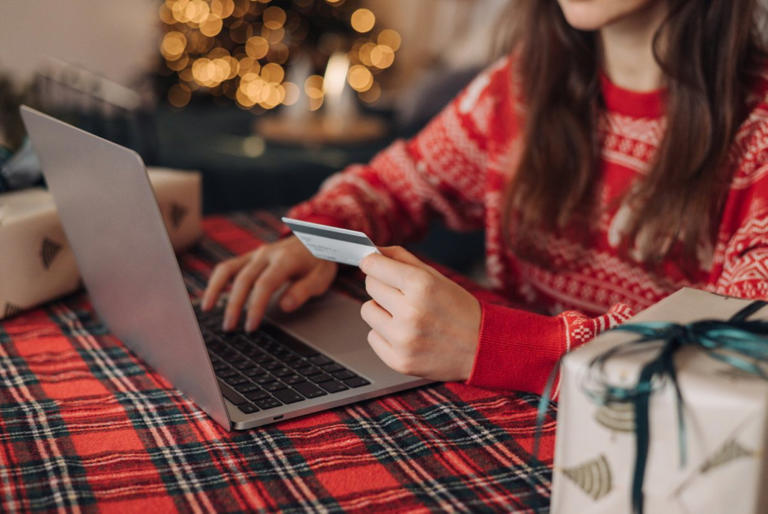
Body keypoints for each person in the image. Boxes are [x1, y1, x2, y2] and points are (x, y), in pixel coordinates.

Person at [203, 0, 768, 395]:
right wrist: (316, 239)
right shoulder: (517, 88)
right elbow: (391, 184)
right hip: (510, 424)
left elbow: (737, 356)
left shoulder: (757, 133)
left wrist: (489, 343)